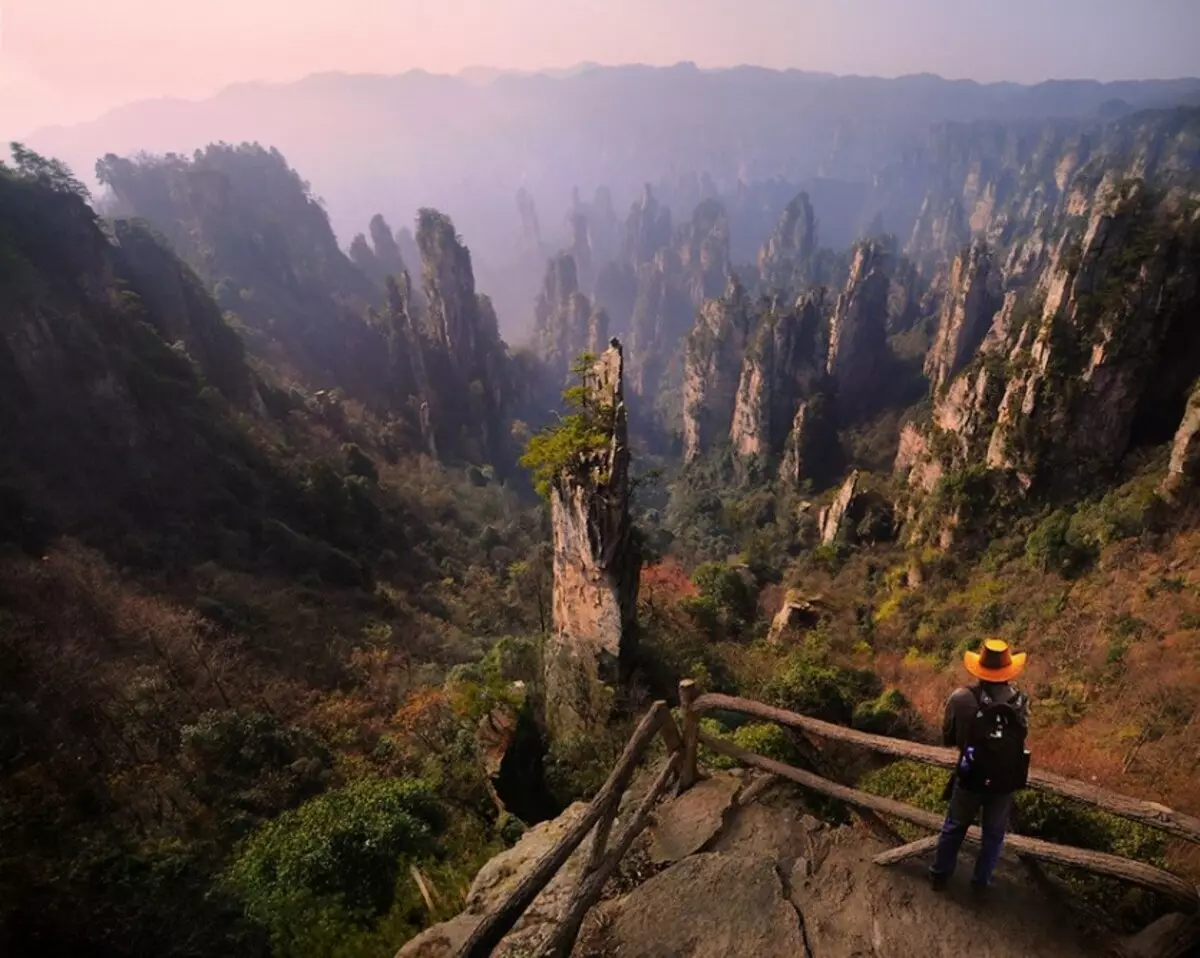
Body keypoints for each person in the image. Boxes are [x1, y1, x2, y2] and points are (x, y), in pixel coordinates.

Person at [929, 638, 1030, 892]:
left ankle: (940, 875)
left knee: (954, 827)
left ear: (979, 668)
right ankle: (981, 882)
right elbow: (1021, 735)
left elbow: (948, 738)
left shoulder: (961, 698)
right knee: (993, 836)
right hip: (1005, 781)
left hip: (970, 774)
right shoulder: (1020, 700)